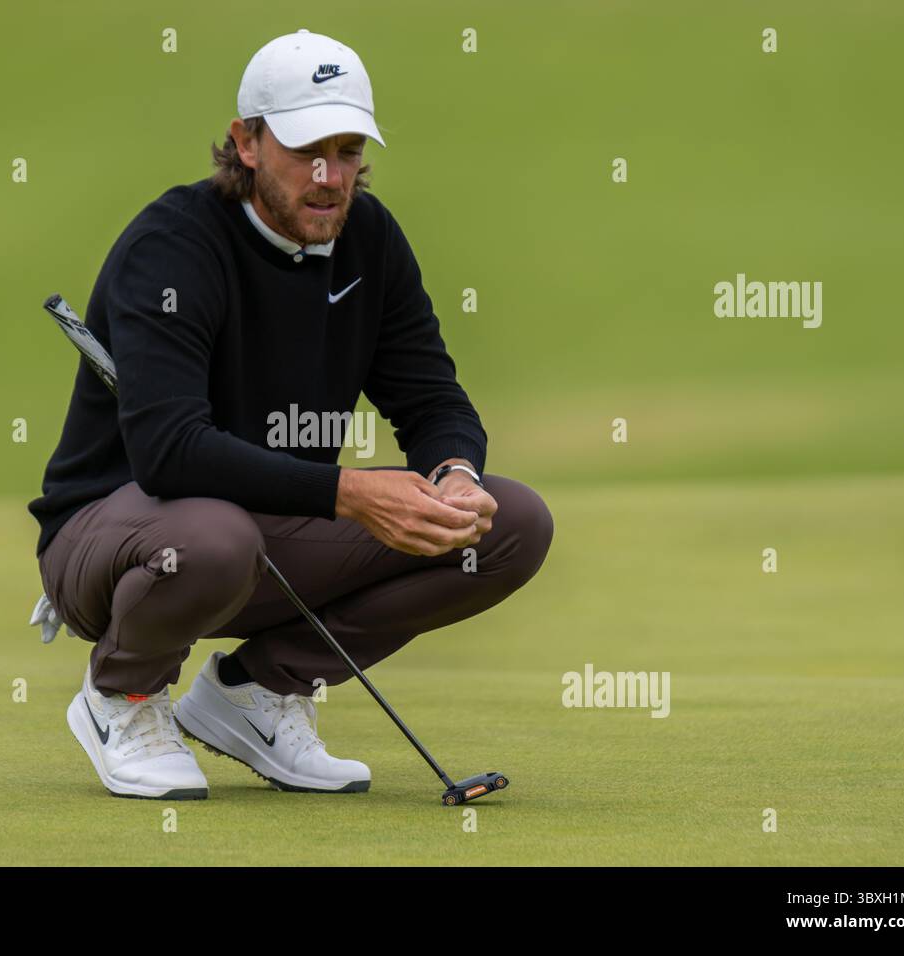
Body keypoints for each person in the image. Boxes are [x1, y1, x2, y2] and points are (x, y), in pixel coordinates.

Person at [28, 29, 554, 800]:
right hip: (118, 536)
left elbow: (431, 396)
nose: (328, 176)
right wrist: (351, 494)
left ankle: (259, 692)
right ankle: (125, 695)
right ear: (245, 141)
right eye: (307, 149)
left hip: (266, 532)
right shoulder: (172, 248)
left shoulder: (368, 239)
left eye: (346, 151)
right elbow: (170, 452)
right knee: (214, 536)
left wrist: (454, 475)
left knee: (509, 524)